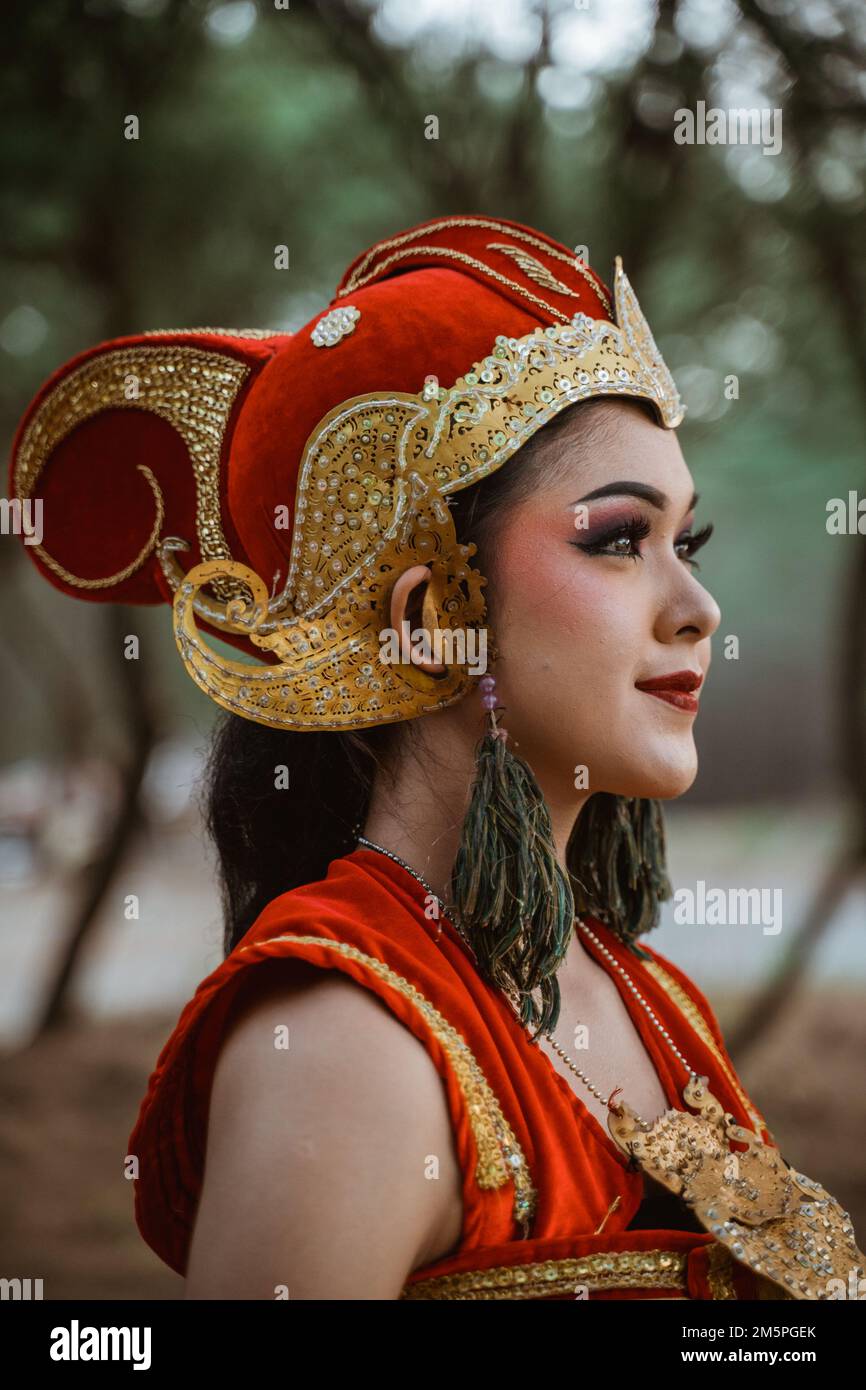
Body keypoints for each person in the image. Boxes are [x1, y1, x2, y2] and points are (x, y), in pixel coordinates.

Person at [11, 214, 863, 1301]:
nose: (696, 609)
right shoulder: (342, 1046)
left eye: (685, 543)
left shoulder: (654, 997)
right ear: (430, 623)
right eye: (616, 539)